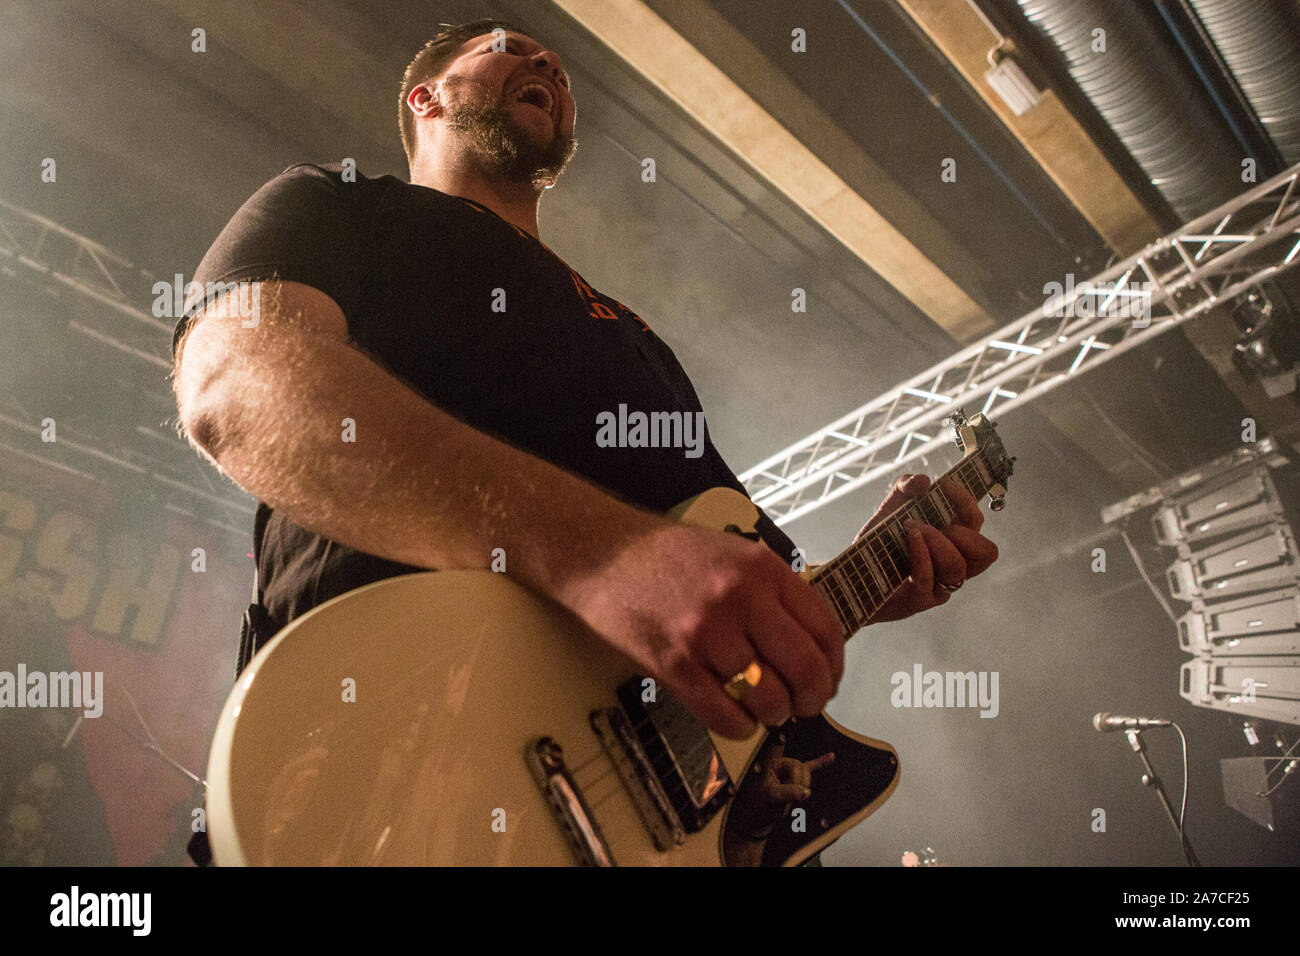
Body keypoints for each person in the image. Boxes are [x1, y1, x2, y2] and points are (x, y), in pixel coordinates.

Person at [170, 19, 998, 858]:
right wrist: (605, 557)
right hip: (390, 777)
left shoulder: (634, 336)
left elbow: (703, 568)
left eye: (554, 62)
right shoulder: (334, 204)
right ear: (424, 97)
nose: (546, 61)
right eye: (508, 47)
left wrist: (841, 587)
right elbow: (234, 390)